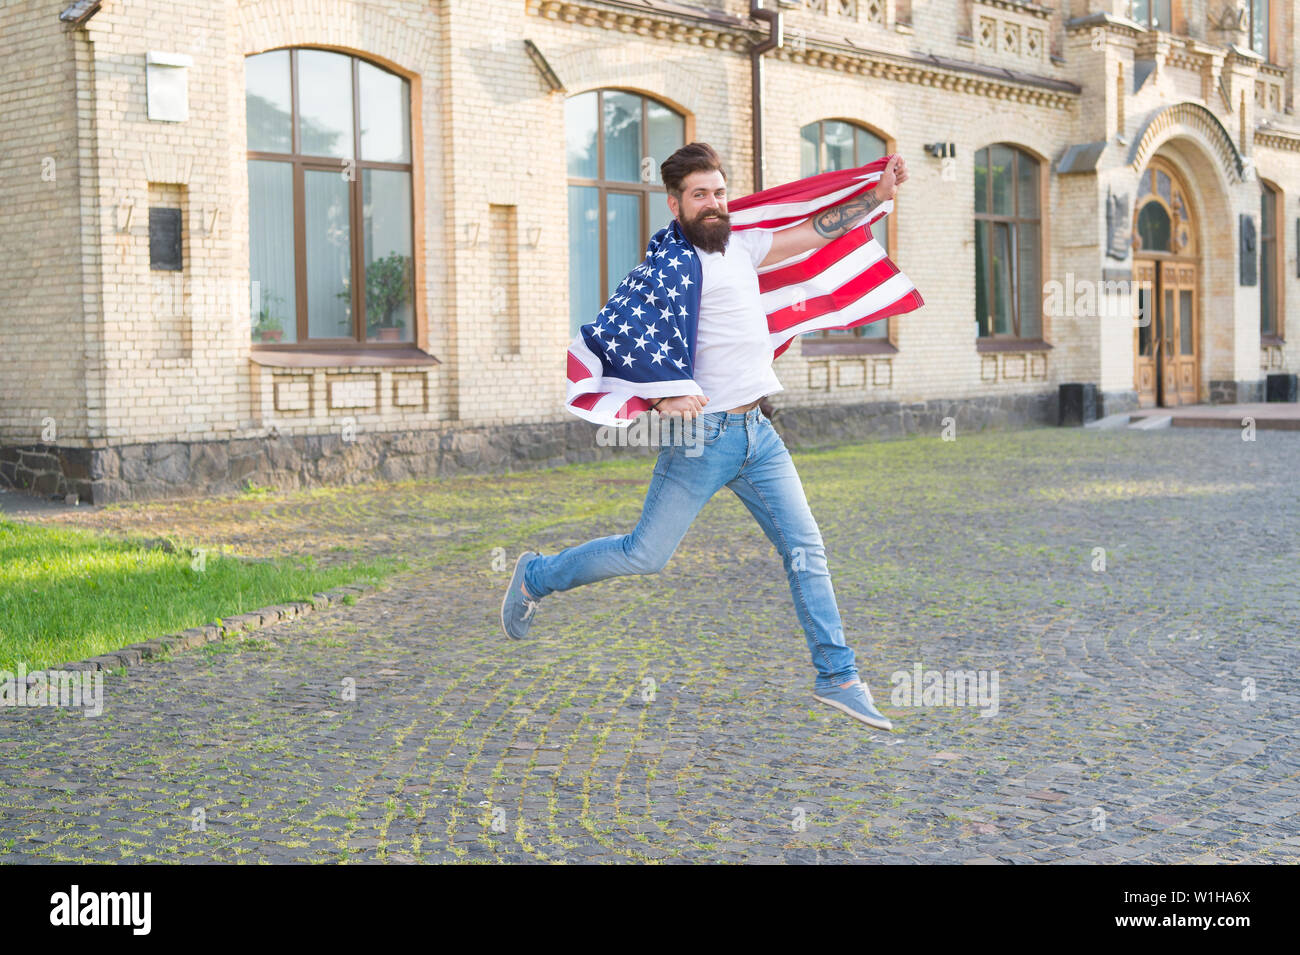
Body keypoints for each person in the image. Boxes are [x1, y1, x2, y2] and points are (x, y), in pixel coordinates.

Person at [501, 143, 909, 730]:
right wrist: (663, 392)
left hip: (757, 434)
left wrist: (874, 198)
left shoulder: (742, 243)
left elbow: (814, 233)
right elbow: (618, 332)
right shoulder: (665, 267)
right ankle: (536, 575)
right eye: (700, 195)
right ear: (676, 203)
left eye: (719, 192)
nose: (715, 204)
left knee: (806, 550)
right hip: (703, 439)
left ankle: (838, 676)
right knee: (645, 554)